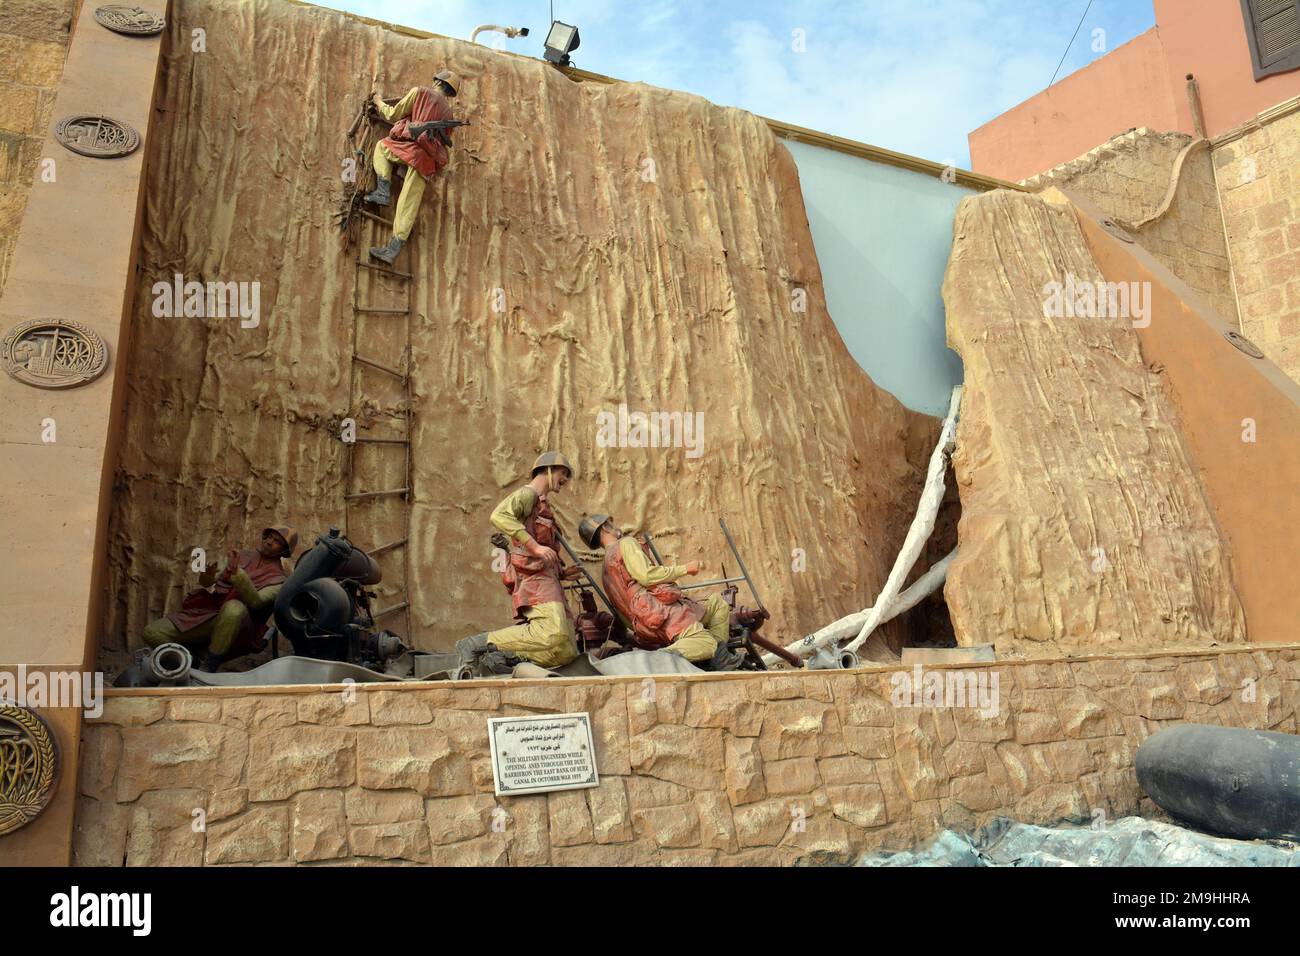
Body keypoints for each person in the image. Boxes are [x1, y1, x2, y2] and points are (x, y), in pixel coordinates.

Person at [457, 452, 582, 671]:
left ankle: (508, 658)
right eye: (563, 473)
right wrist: (535, 546)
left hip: (548, 578)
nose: (565, 480)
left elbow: (545, 549)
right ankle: (475, 645)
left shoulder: (543, 507)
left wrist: (563, 572)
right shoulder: (528, 494)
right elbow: (499, 516)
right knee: (554, 631)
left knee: (566, 650)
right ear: (549, 469)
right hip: (535, 581)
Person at [578, 514, 733, 665]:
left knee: (717, 604)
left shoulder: (605, 569)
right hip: (662, 612)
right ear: (605, 527)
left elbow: (620, 611)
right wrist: (686, 568)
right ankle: (657, 659)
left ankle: (718, 657)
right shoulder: (625, 544)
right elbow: (646, 575)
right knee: (707, 643)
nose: (615, 527)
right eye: (610, 523)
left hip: (646, 622)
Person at [141, 525, 298, 672]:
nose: (270, 542)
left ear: (284, 551)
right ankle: (190, 660)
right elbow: (208, 582)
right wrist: (208, 574)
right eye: (269, 537)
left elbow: (256, 601)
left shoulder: (279, 580)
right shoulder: (242, 556)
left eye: (277, 542)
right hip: (210, 614)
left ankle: (209, 664)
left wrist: (238, 573)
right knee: (152, 632)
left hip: (240, 628)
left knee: (234, 608)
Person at [364, 70, 461, 264]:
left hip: (407, 149)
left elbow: (393, 113)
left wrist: (378, 101)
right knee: (408, 206)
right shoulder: (449, 114)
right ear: (450, 93)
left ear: (437, 81)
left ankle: (383, 191)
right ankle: (391, 251)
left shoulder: (420, 92)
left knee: (382, 147)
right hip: (426, 162)